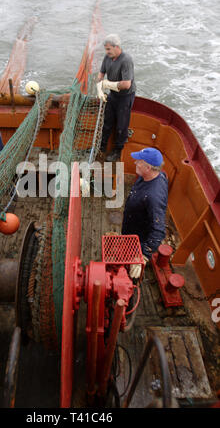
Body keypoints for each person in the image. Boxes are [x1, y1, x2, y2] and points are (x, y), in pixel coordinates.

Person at [121, 148, 168, 279]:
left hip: (138, 238)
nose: (135, 162)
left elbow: (158, 231)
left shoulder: (154, 197)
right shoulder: (152, 176)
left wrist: (144, 255)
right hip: (132, 223)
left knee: (131, 275)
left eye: (139, 161)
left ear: (148, 168)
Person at [97, 34, 136, 162]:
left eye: (108, 49)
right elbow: (101, 74)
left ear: (117, 47)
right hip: (113, 95)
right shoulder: (107, 57)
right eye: (106, 49)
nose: (107, 52)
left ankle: (117, 150)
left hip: (125, 97)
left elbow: (126, 84)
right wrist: (100, 88)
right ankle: (101, 147)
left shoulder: (126, 60)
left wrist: (109, 84)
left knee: (121, 125)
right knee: (107, 122)